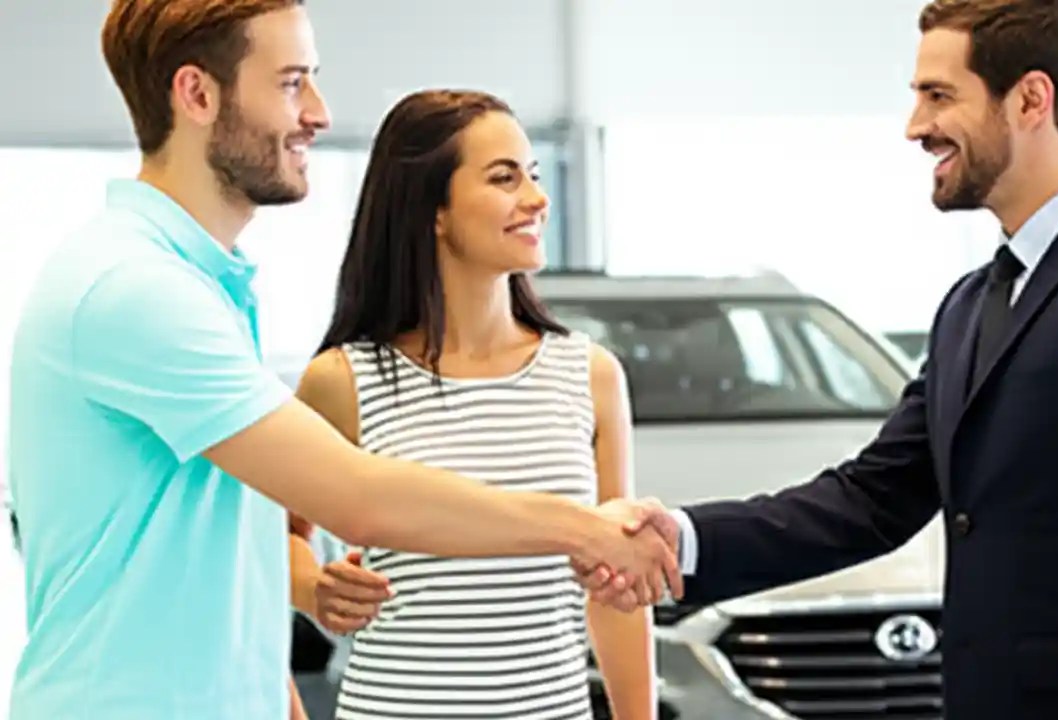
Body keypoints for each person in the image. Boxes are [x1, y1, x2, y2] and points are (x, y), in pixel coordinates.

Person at [5, 2, 676, 719]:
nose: (319, 114)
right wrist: (588, 529)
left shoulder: (206, 287)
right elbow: (360, 499)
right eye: (292, 83)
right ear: (197, 94)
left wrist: (278, 692)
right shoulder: (134, 291)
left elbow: (221, 545)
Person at [581, 1, 1058, 719]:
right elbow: (871, 497)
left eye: (938, 96)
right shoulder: (969, 304)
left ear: (1030, 99)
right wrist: (683, 540)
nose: (915, 127)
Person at [284, 89, 657, 720]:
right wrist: (311, 586)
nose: (536, 200)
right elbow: (270, 539)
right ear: (433, 209)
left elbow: (617, 588)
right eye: (504, 178)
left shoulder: (589, 375)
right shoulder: (343, 379)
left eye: (534, 176)